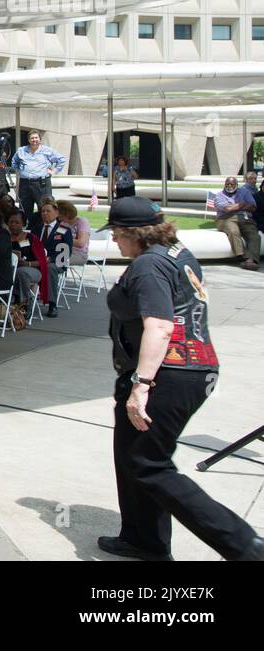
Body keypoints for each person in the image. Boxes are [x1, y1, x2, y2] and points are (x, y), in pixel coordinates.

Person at [98, 196, 264, 562]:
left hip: (166, 376)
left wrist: (141, 385)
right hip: (189, 370)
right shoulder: (177, 253)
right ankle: (144, 540)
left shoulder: (149, 266)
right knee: (131, 458)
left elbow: (158, 325)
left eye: (117, 234)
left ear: (133, 233)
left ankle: (243, 545)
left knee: (149, 465)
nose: (114, 242)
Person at [11, 130, 66, 218]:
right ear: (29, 140)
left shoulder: (47, 150)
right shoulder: (21, 151)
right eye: (32, 138)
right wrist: (20, 171)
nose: (34, 140)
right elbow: (14, 162)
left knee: (45, 208)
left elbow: (62, 160)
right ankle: (27, 228)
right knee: (24, 209)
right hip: (25, 184)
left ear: (40, 139)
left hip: (41, 183)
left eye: (36, 138)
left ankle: (45, 228)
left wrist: (54, 171)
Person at [6, 210, 51, 310]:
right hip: (8, 269)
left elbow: (43, 261)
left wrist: (27, 263)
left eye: (17, 222)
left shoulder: (32, 238)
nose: (13, 225)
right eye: (11, 222)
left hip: (31, 270)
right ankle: (0, 304)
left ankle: (24, 304)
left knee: (21, 272)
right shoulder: (3, 238)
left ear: (23, 224)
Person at [211, 176, 259, 270]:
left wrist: (236, 207)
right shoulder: (219, 195)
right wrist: (243, 204)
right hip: (225, 219)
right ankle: (241, 257)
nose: (229, 186)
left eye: (232, 184)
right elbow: (228, 209)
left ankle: (250, 260)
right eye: (227, 184)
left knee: (253, 234)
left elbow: (253, 207)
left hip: (244, 217)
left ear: (236, 184)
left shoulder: (245, 192)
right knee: (234, 231)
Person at [57, 199, 90, 266]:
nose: (58, 217)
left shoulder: (81, 222)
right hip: (63, 251)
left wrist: (65, 239)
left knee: (57, 260)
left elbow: (81, 243)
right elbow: (57, 238)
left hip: (79, 254)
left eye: (60, 215)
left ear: (66, 214)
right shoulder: (62, 224)